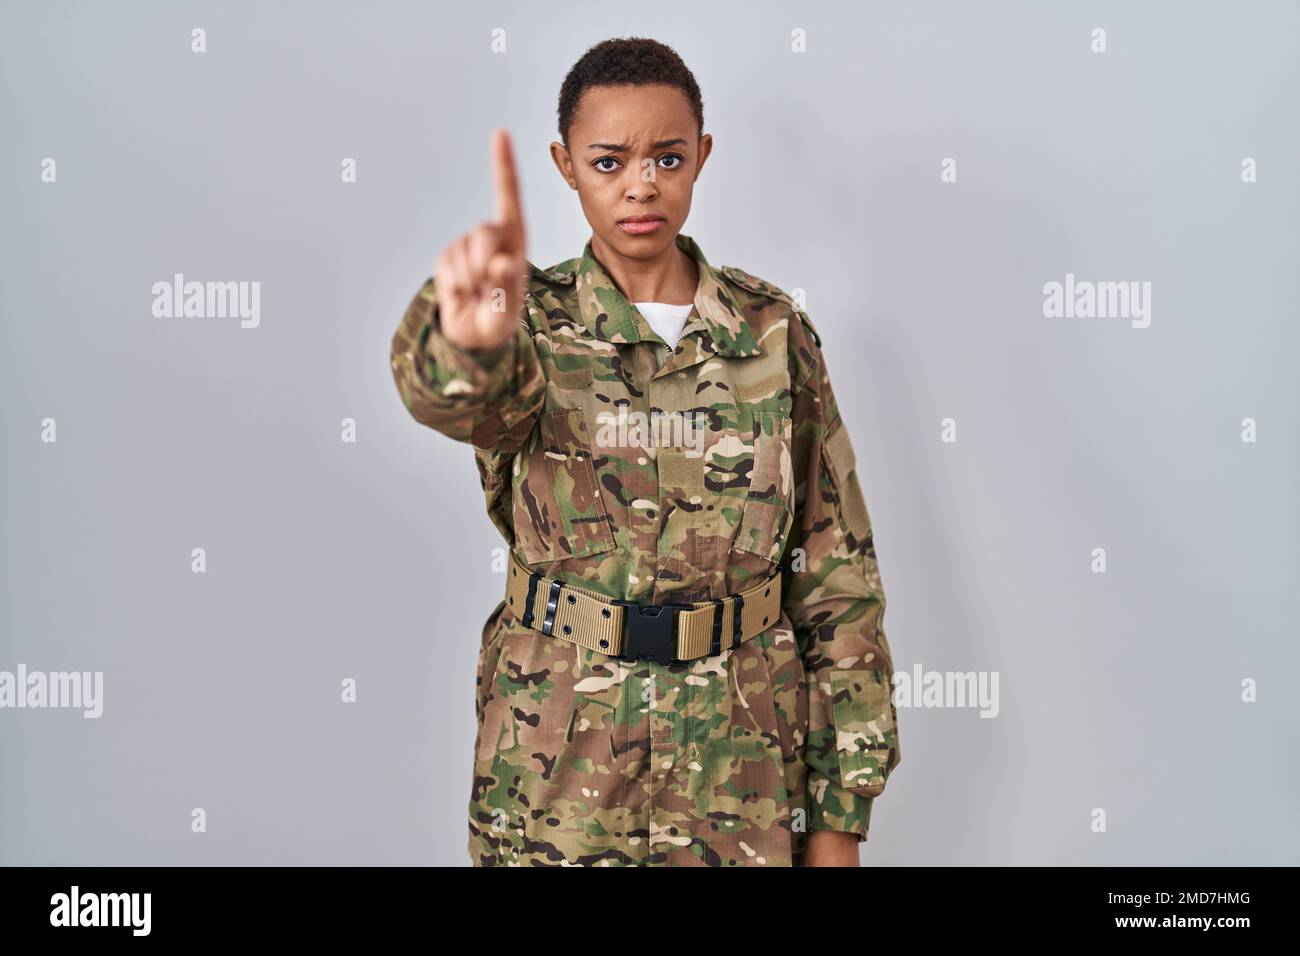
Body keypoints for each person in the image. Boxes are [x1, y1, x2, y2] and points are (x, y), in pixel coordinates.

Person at [390, 37, 900, 867]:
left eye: (667, 156)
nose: (641, 184)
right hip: (559, 763)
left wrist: (841, 818)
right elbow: (454, 396)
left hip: (743, 769)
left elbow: (837, 576)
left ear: (702, 154)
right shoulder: (532, 326)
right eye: (608, 160)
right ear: (564, 165)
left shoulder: (774, 336)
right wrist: (465, 336)